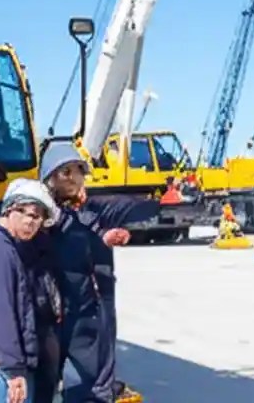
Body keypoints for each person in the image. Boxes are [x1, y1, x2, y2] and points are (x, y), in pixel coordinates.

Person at [33, 141, 162, 403]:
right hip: (52, 308)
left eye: (77, 171)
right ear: (49, 178)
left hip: (87, 304)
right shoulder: (39, 212)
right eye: (65, 172)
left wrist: (107, 235)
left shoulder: (87, 211)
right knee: (46, 375)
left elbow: (101, 223)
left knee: (95, 371)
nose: (72, 178)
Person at [0, 177, 60, 403]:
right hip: (0, 373)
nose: (33, 223)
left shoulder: (6, 247)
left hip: (2, 370)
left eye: (39, 218)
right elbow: (0, 315)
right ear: (10, 209)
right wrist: (14, 370)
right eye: (28, 214)